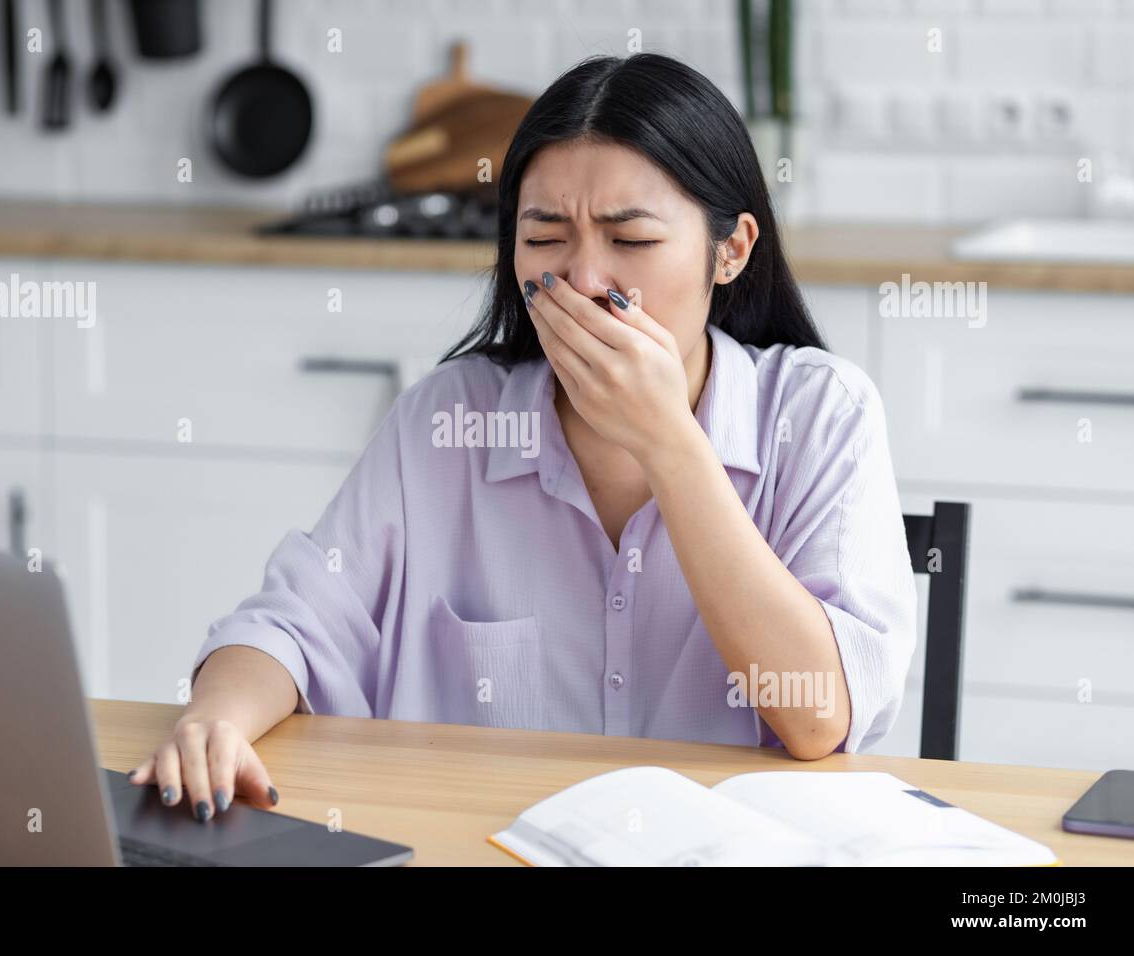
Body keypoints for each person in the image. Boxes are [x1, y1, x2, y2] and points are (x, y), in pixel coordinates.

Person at [128, 53, 917, 822]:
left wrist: (669, 443)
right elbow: (292, 623)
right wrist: (217, 720)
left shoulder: (819, 416)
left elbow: (817, 719)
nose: (581, 280)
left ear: (732, 250)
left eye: (631, 241)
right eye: (545, 238)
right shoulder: (449, 420)